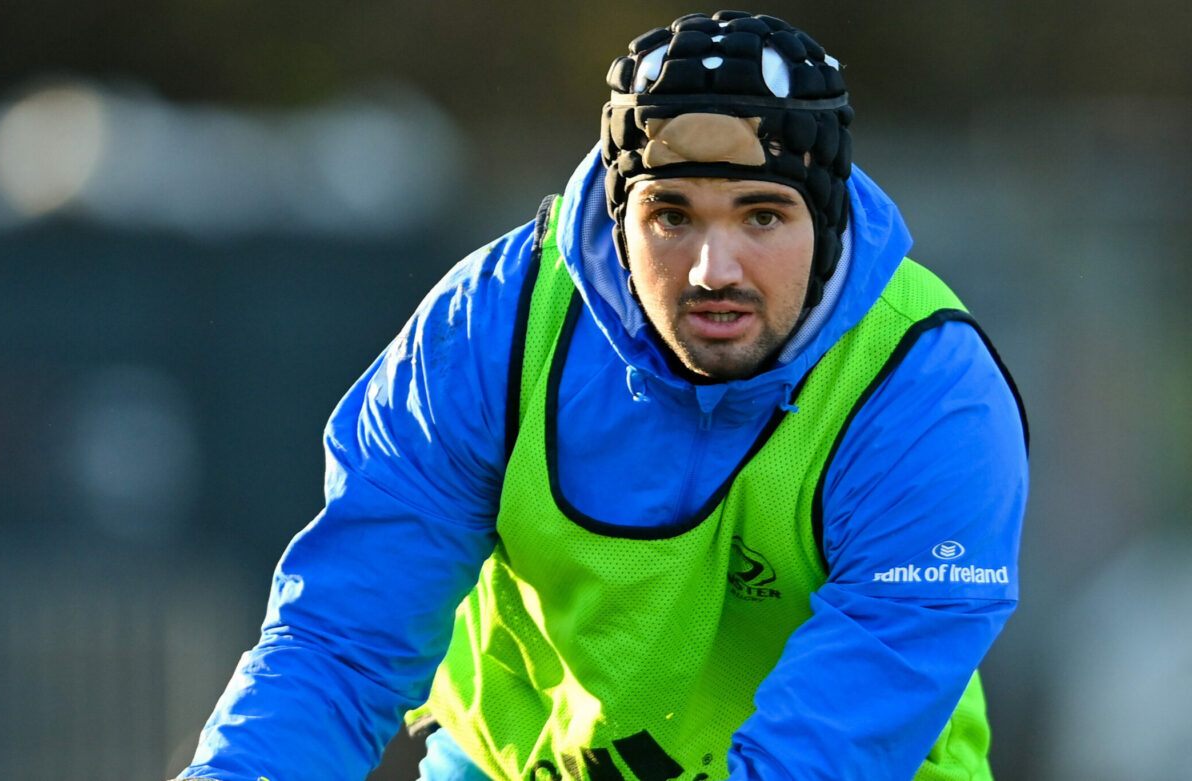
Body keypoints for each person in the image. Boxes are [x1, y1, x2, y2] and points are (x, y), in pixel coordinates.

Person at [177, 10, 1028, 781]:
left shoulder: (926, 393)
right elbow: (340, 646)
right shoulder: (490, 332)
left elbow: (825, 752)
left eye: (763, 216)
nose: (714, 270)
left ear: (829, 221)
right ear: (620, 222)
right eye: (672, 216)